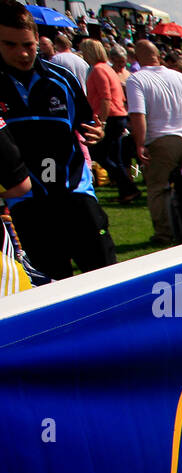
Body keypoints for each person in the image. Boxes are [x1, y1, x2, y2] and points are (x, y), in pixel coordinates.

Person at [0, 1, 114, 277]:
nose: (23, 53)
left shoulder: (62, 79)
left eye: (28, 44)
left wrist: (97, 133)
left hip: (74, 194)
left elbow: (88, 125)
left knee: (104, 280)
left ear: (38, 39)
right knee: (50, 288)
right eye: (11, 45)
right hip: (27, 205)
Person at [125, 39, 182, 244]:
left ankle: (164, 233)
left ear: (135, 58)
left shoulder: (136, 79)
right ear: (158, 56)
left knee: (158, 188)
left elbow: (138, 114)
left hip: (160, 139)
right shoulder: (180, 77)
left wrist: (139, 143)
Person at [82, 38, 138, 202]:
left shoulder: (98, 70)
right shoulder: (108, 69)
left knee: (100, 154)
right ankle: (127, 190)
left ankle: (127, 187)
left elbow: (105, 98)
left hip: (110, 117)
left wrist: (102, 122)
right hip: (118, 115)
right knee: (114, 156)